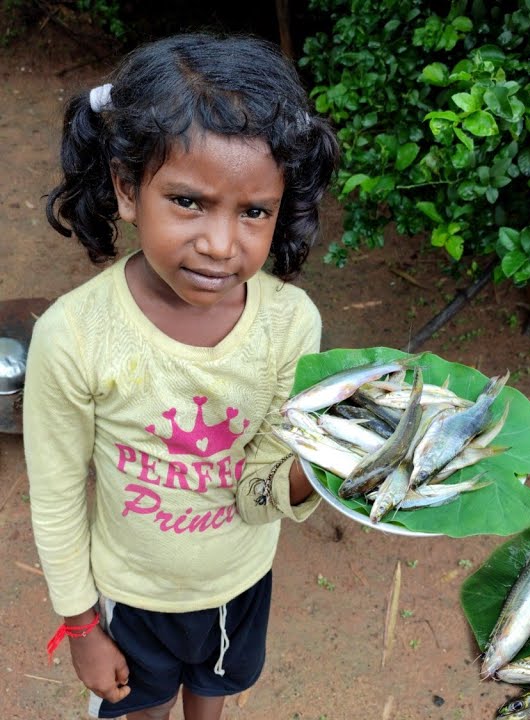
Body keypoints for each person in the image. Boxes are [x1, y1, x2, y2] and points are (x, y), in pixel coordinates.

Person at [28, 33, 339, 720]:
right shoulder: (75, 336)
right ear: (127, 188)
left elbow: (262, 492)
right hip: (131, 600)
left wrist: (335, 465)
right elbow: (53, 498)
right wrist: (81, 626)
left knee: (214, 697)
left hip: (240, 584)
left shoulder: (290, 325)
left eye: (253, 211)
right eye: (190, 202)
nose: (221, 244)